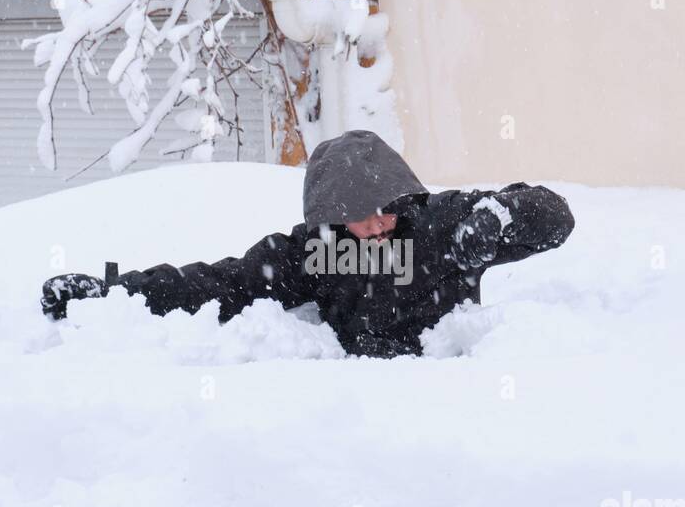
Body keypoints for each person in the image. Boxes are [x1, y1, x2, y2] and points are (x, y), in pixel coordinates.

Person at [41, 130, 574, 357]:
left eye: (385, 210)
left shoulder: (442, 227)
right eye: (359, 219)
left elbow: (555, 218)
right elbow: (216, 284)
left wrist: (496, 219)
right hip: (354, 428)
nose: (377, 226)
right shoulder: (309, 254)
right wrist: (113, 292)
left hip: (451, 415)